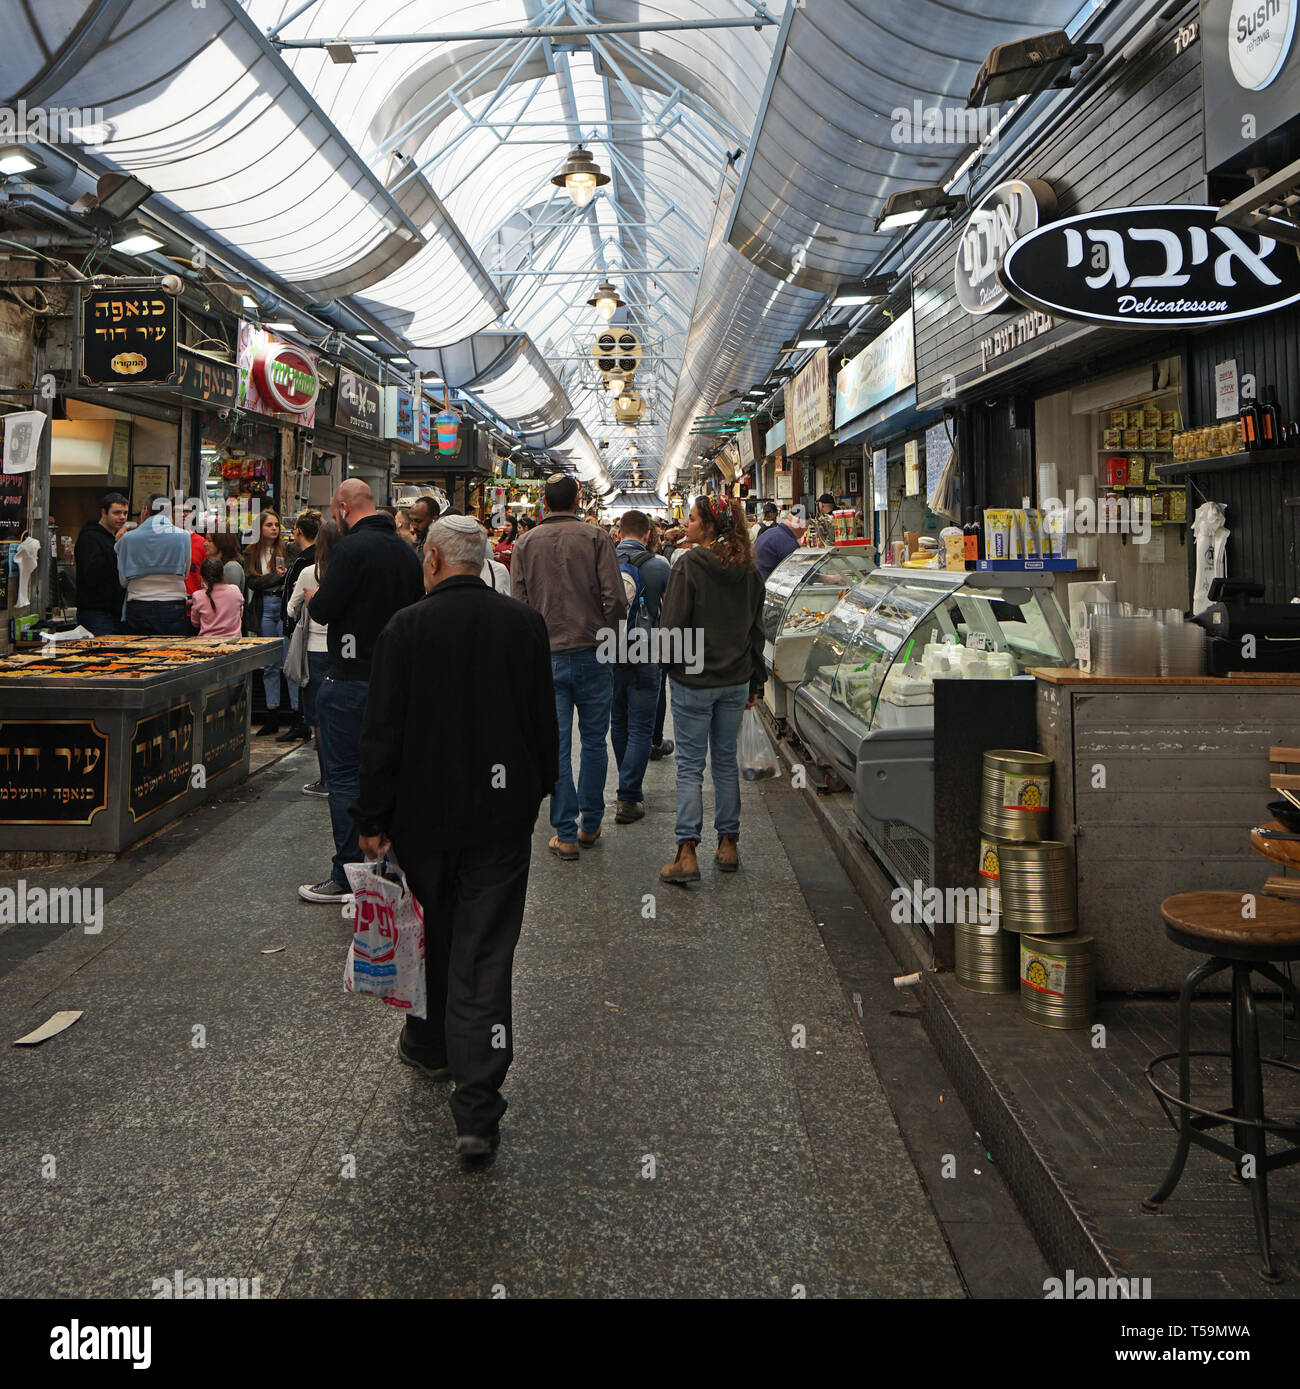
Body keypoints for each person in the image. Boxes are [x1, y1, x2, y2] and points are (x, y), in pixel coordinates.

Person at [353, 514, 558, 1160]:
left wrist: (370, 818)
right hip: (498, 825)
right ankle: (476, 1108)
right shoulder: (522, 625)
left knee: (434, 935)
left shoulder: (404, 629)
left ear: (435, 561)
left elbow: (381, 732)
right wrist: (532, 793)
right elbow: (544, 727)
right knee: (485, 956)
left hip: (422, 822)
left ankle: (430, 1044)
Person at [298, 479, 424, 904]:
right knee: (396, 773)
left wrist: (317, 596)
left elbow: (324, 609)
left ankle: (348, 872)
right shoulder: (409, 553)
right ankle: (391, 868)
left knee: (346, 776)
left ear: (343, 506)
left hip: (350, 681)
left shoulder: (350, 550)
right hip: (400, 683)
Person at [511, 472, 626, 861]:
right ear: (578, 500)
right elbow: (616, 598)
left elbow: (520, 605)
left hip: (547, 657)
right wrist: (606, 636)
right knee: (594, 740)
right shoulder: (597, 538)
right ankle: (591, 824)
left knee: (557, 744)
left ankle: (565, 832)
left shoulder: (524, 543)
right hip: (594, 652)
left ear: (544, 502)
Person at [657, 495, 765, 885]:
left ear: (708, 526)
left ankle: (687, 853)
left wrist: (668, 668)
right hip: (735, 680)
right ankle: (728, 844)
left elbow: (672, 627)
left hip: (693, 681)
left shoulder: (688, 565)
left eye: (691, 519)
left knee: (689, 766)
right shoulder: (749, 569)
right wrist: (755, 680)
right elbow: (756, 630)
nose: (685, 524)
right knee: (723, 764)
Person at [609, 509, 671, 824]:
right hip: (647, 649)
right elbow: (671, 610)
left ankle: (627, 783)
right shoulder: (660, 565)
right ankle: (629, 794)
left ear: (619, 532)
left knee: (617, 720)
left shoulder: (601, 562)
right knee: (642, 726)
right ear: (648, 535)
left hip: (610, 647)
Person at [287, 519, 337, 798]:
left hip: (315, 649)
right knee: (338, 712)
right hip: (342, 650)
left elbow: (291, 609)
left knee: (317, 716)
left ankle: (326, 779)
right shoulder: (348, 571)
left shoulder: (309, 573)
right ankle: (342, 776)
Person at [245, 510, 296, 736]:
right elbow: (253, 582)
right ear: (260, 528)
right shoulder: (251, 552)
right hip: (264, 606)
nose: (274, 528)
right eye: (269, 525)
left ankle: (296, 714)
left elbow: (290, 577)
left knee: (288, 662)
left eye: (276, 525)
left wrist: (275, 579)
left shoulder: (287, 550)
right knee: (269, 665)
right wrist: (276, 578)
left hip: (282, 605)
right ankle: (271, 714)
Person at [116, 495, 194, 636]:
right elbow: (185, 573)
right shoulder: (184, 537)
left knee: (140, 654)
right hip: (174, 603)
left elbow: (122, 580)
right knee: (173, 652)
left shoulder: (128, 539)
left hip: (139, 603)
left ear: (146, 510)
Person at [276, 510, 321, 743]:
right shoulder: (322, 558)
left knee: (298, 674)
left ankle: (301, 719)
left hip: (303, 629)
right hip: (319, 632)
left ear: (298, 531)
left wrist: (289, 624)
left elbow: (292, 604)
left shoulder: (304, 562)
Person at [74, 492, 128, 635]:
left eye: (125, 513)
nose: (122, 517)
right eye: (117, 513)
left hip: (117, 612)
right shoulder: (89, 537)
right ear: (104, 512)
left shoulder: (114, 538)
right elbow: (92, 574)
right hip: (96, 613)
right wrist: (116, 547)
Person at [188, 556, 244, 638]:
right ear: (223, 574)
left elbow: (195, 622)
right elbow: (240, 613)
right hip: (234, 642)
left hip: (206, 643)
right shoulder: (235, 590)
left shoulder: (198, 596)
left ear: (202, 578)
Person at [754, 508, 808, 580]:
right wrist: (822, 578)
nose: (803, 533)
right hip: (767, 586)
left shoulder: (771, 532)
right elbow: (799, 572)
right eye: (805, 529)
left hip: (756, 583)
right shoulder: (787, 542)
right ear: (799, 527)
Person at [212, 532, 246, 596]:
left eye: (209, 540)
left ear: (221, 543)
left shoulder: (231, 567)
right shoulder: (219, 565)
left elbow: (230, 599)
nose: (205, 543)